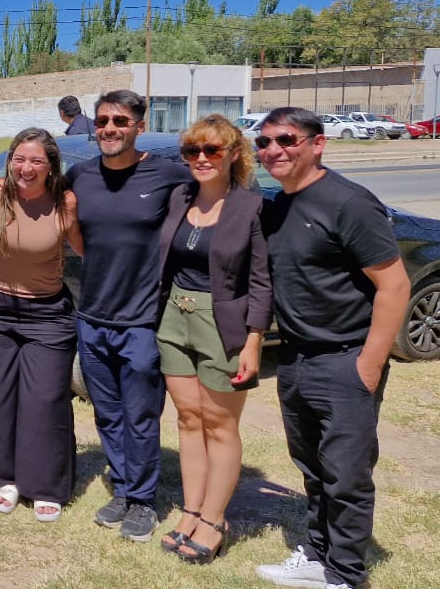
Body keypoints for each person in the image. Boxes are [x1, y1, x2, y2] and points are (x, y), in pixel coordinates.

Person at [253, 107, 410, 589]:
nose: (274, 150)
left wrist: (370, 363)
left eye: (286, 139)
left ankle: (345, 573)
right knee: (313, 468)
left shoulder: (349, 203)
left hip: (345, 360)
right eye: (264, 142)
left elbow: (395, 286)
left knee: (346, 474)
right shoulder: (278, 206)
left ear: (317, 144)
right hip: (296, 358)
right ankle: (318, 554)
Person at [67, 89, 191, 541]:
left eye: (120, 121)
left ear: (140, 126)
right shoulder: (80, 176)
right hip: (91, 317)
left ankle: (142, 501)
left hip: (142, 321)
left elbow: (220, 193)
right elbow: (61, 220)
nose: (109, 129)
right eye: (102, 121)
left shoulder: (169, 174)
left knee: (140, 415)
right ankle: (121, 488)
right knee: (107, 413)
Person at [155, 115, 271, 562]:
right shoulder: (180, 197)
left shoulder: (251, 207)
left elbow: (261, 280)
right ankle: (192, 510)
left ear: (233, 154)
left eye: (212, 150)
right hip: (173, 319)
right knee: (188, 418)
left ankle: (215, 519)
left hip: (223, 324)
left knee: (219, 424)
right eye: (193, 151)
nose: (201, 158)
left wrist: (254, 339)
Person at [0, 128, 83, 522]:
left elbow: (89, 248)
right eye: (19, 159)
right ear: (9, 161)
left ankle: (46, 485)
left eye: (37, 160)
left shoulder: (64, 202)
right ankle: (5, 478)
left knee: (45, 400)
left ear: (51, 166)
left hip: (47, 312)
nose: (26, 168)